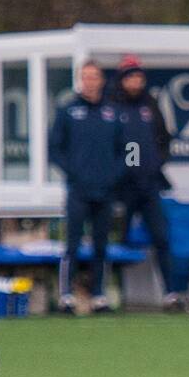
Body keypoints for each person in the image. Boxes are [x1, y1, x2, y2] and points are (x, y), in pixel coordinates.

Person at [49, 60, 125, 315]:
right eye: (86, 77)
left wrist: (116, 175)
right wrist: (74, 174)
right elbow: (54, 149)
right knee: (72, 244)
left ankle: (99, 297)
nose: (90, 82)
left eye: (94, 77)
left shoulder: (113, 113)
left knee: (101, 245)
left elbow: (129, 150)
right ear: (80, 80)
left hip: (105, 191)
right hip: (78, 190)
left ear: (101, 80)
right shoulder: (68, 111)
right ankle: (66, 297)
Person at [111, 54, 181, 309]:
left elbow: (164, 139)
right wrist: (119, 172)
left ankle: (170, 293)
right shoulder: (112, 107)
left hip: (149, 185)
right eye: (131, 77)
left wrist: (155, 164)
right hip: (122, 188)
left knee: (161, 238)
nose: (136, 82)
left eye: (139, 77)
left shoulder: (150, 104)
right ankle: (111, 296)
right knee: (117, 241)